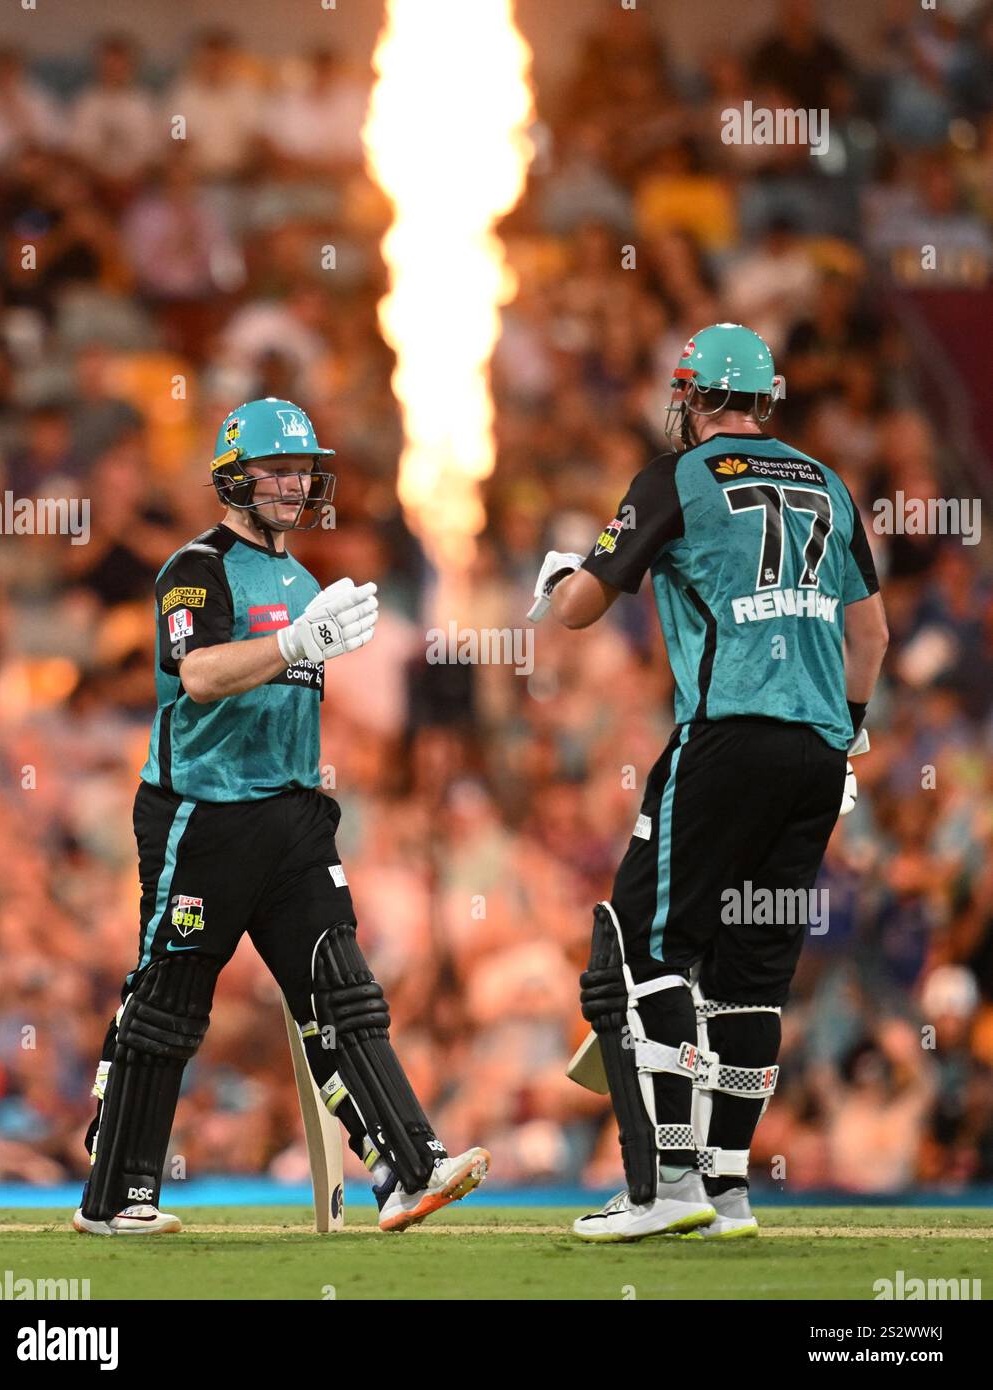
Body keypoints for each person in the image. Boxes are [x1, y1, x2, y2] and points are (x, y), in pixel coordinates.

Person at [73, 396, 489, 1235]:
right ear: (234, 475)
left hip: (292, 811)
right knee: (171, 998)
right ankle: (119, 1196)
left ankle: (408, 1171)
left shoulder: (304, 581)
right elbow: (199, 676)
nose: (294, 483)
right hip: (203, 812)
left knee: (343, 986)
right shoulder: (195, 567)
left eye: (302, 469)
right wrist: (298, 644)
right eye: (276, 469)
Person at [529, 324, 887, 1241]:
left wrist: (565, 573)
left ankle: (667, 1183)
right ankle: (728, 1189)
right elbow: (872, 637)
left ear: (692, 395)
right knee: (750, 975)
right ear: (764, 398)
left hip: (727, 738)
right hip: (818, 752)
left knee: (642, 945)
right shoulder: (829, 483)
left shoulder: (676, 478)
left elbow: (577, 613)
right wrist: (842, 734)